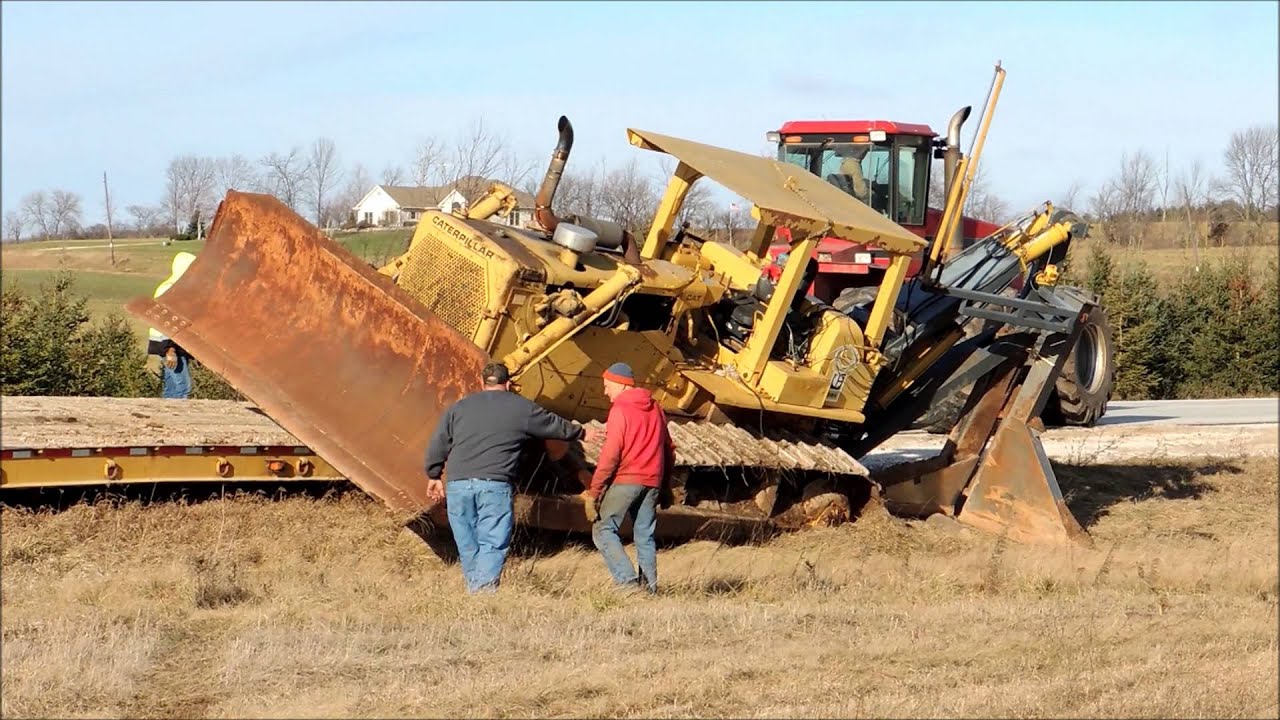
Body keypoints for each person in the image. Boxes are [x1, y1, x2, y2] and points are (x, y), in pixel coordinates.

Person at [424, 361, 596, 594]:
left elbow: (439, 441)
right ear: (509, 384)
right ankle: (482, 594)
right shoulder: (521, 408)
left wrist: (433, 474)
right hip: (494, 485)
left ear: (481, 382)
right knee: (493, 541)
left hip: (458, 485)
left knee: (467, 540)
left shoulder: (459, 408)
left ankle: (474, 589)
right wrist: (583, 432)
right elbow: (553, 425)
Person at [583, 362, 676, 595]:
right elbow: (668, 448)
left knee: (603, 529)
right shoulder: (656, 408)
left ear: (620, 384)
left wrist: (594, 492)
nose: (605, 392)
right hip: (652, 481)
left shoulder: (621, 409)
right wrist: (665, 486)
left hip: (627, 479)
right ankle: (650, 591)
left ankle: (628, 585)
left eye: (607, 386)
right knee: (644, 536)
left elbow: (611, 454)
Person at [147, 252, 198, 399]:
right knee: (183, 388)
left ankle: (166, 417)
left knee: (172, 387)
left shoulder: (181, 290)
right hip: (169, 345)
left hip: (176, 345)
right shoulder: (169, 289)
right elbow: (164, 323)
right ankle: (179, 419)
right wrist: (169, 350)